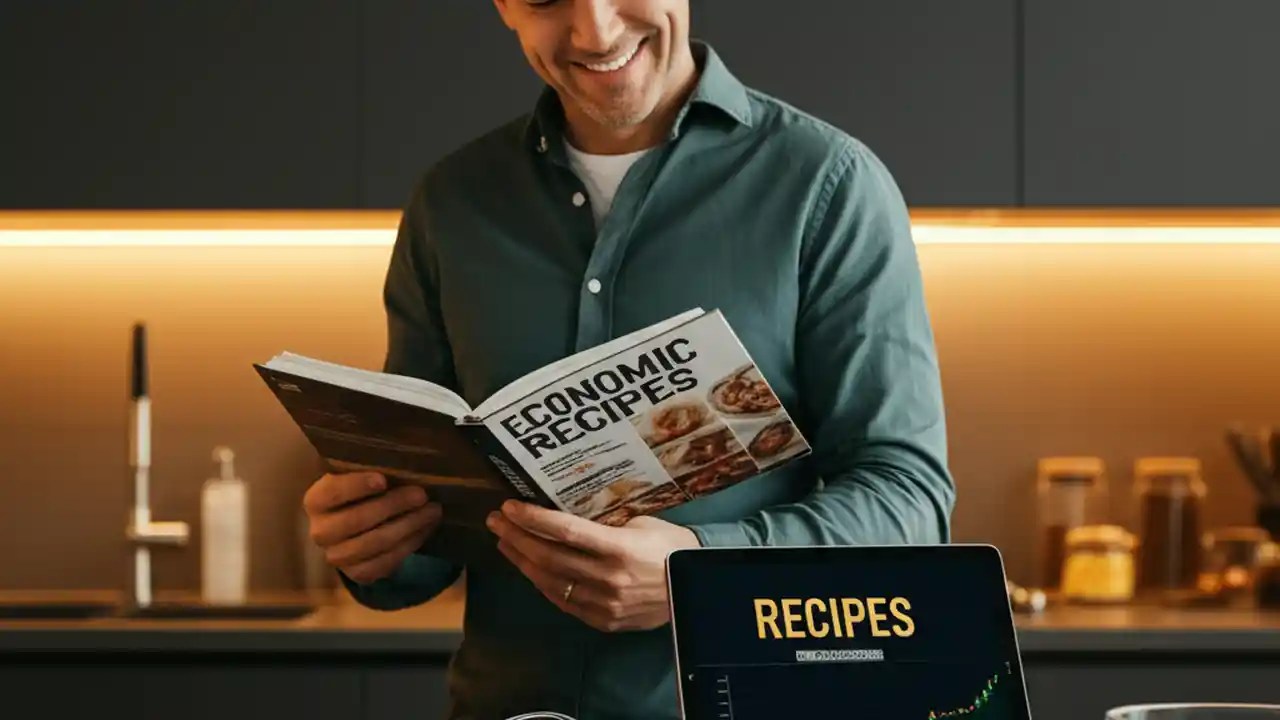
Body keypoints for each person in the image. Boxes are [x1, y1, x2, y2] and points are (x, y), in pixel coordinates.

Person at [300, 1, 956, 718]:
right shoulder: (451, 203)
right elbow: (424, 536)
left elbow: (908, 502)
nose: (596, 32)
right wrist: (373, 541)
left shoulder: (827, 184)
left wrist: (698, 573)